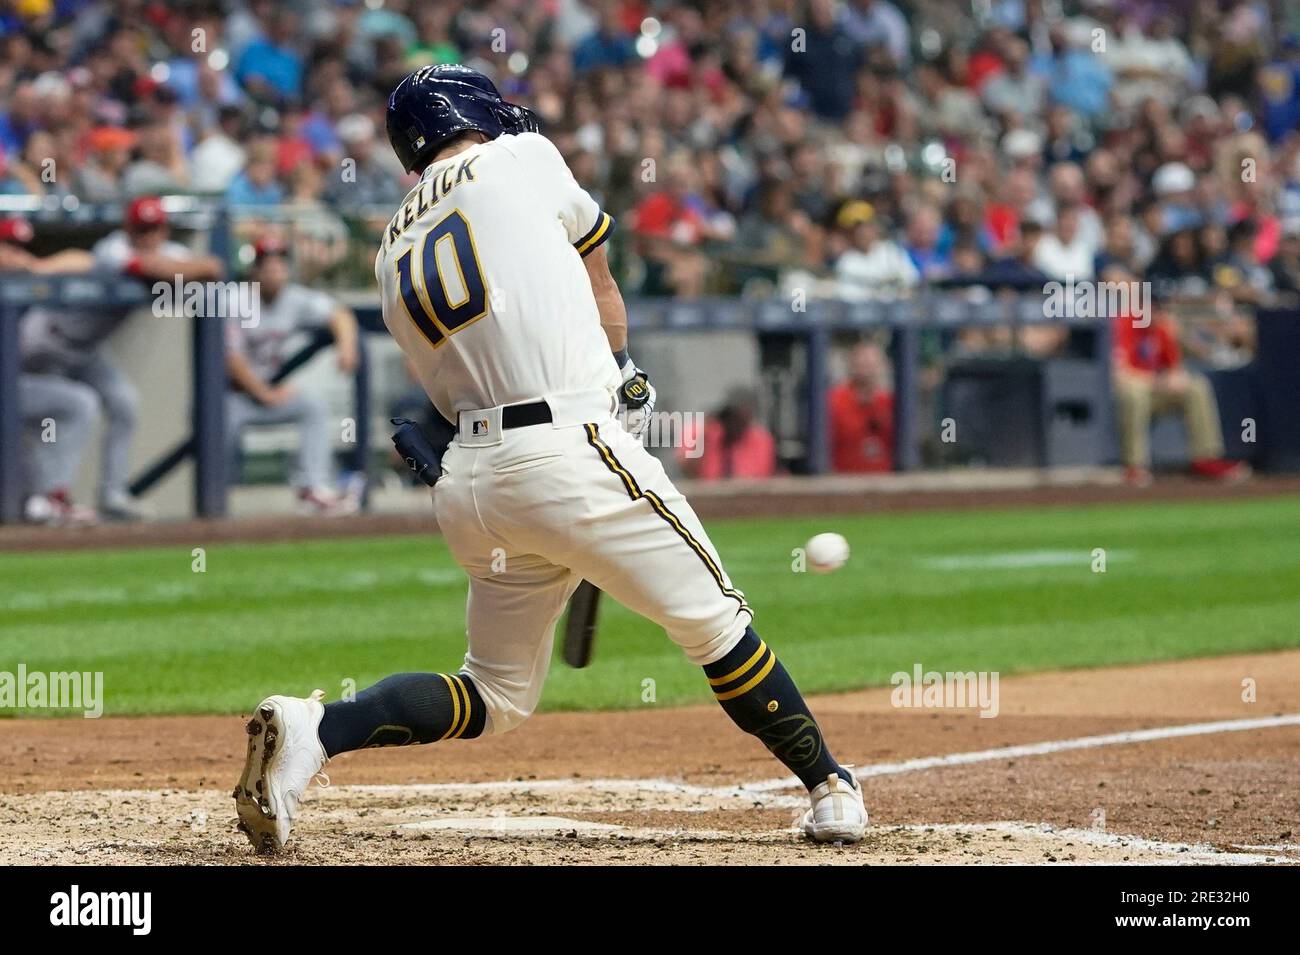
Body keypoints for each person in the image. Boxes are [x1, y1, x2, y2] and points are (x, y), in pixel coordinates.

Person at [234, 65, 865, 853]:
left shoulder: (390, 244)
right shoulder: (519, 156)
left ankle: (317, 729)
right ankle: (830, 784)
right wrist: (623, 372)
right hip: (569, 446)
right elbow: (597, 275)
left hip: (472, 482)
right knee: (718, 626)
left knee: (491, 692)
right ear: (471, 114)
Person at [18, 196, 223, 521]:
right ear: (128, 228)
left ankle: (112, 493)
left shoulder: (169, 252)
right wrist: (180, 271)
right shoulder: (112, 250)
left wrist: (182, 269)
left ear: (164, 230)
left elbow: (212, 267)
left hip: (85, 350)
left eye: (154, 229)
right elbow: (153, 268)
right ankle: (46, 497)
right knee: (61, 412)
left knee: (123, 401)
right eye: (141, 230)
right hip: (44, 341)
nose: (148, 238)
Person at [225, 238, 359, 515]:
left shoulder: (293, 297)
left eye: (279, 263)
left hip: (267, 394)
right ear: (255, 270)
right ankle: (213, 502)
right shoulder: (234, 299)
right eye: (267, 264)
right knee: (219, 428)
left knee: (313, 406)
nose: (275, 270)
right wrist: (264, 393)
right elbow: (232, 360)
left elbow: (339, 313)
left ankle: (314, 488)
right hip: (230, 397)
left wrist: (347, 345)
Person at [1112, 303, 1250, 487]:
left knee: (1196, 387)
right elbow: (1120, 374)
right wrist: (1158, 381)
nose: (1156, 315)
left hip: (1155, 392)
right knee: (1134, 391)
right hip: (1124, 393)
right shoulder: (1124, 324)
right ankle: (1135, 466)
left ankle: (1205, 458)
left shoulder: (1162, 328)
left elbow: (1176, 370)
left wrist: (1174, 373)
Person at [676, 388, 778, 481]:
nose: (735, 422)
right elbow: (687, 471)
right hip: (706, 498)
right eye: (732, 416)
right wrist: (707, 430)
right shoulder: (702, 431)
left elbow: (761, 479)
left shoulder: (761, 440)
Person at [828, 341, 895, 473]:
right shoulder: (834, 400)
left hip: (885, 483)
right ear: (851, 366)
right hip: (843, 481)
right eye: (862, 365)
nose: (867, 371)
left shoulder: (890, 402)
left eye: (872, 365)